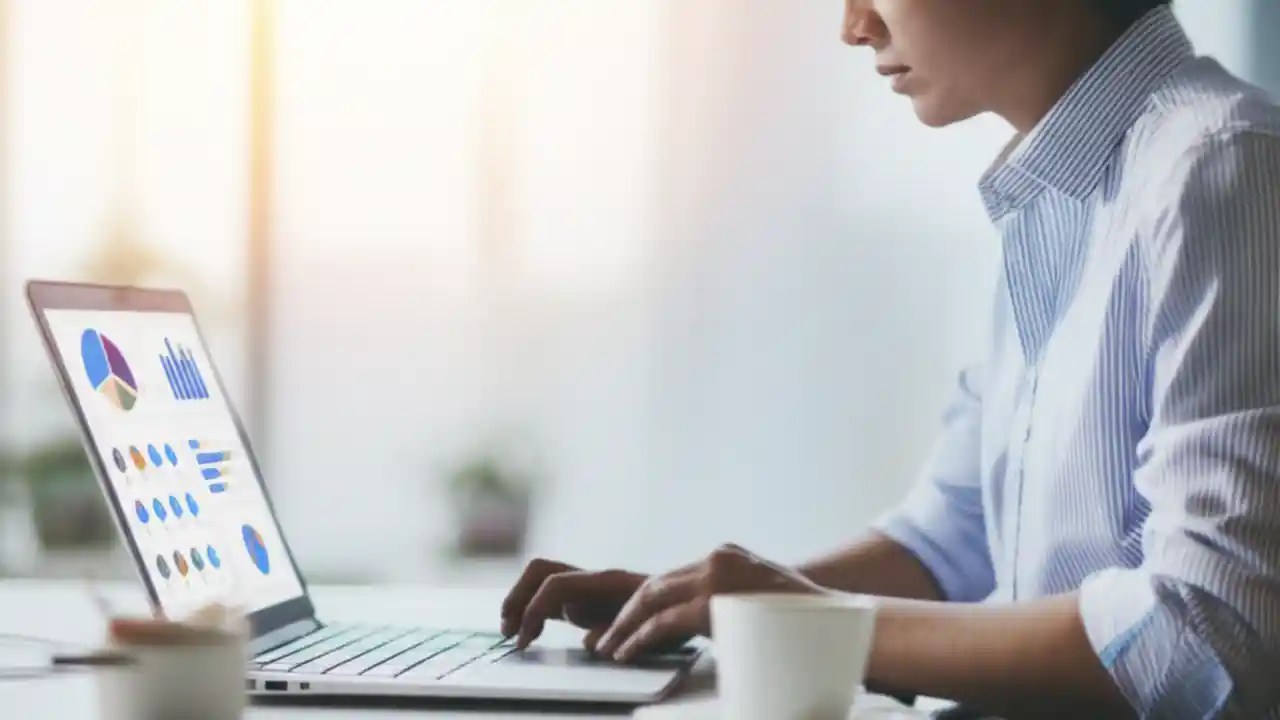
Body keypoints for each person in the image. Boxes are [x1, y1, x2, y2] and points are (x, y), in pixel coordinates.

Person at [499, 1, 1280, 717]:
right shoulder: (1054, 192)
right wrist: (696, 603)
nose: (855, 24)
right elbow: (953, 538)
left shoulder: (1220, 168)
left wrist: (799, 620)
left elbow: (1210, 636)